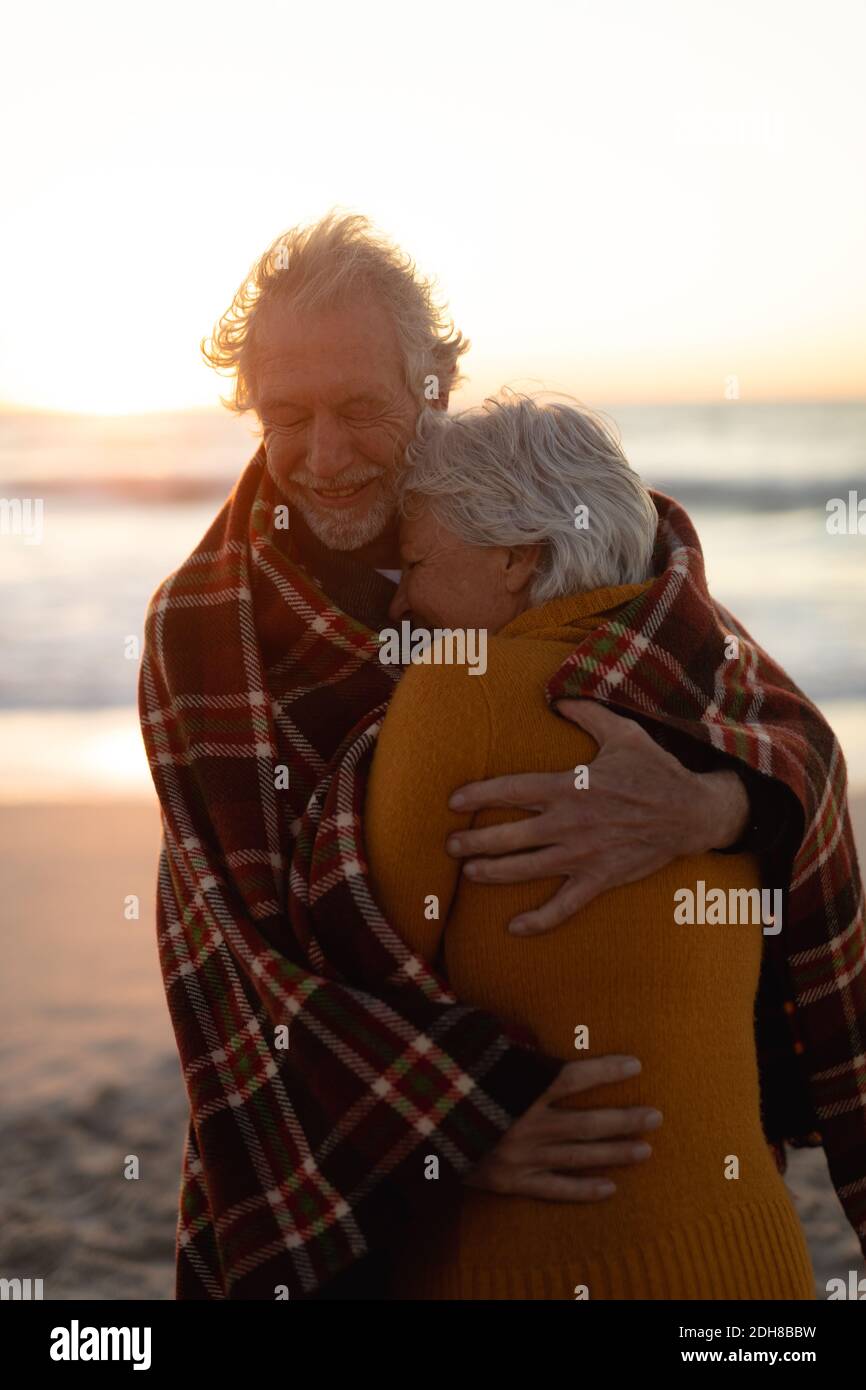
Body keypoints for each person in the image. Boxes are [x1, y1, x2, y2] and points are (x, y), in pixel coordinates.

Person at [139, 213, 866, 1299]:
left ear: (432, 387)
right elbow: (231, 946)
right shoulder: (202, 625)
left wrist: (708, 806)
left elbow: (782, 729)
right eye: (286, 416)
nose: (323, 457)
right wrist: (449, 1124)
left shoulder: (558, 519)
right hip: (344, 1119)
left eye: (360, 410)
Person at [365, 395, 816, 1299]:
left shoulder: (462, 690)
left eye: (415, 562)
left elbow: (364, 970)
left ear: (517, 558)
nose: (404, 600)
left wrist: (450, 1130)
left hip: (559, 1267)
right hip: (759, 1264)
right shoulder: (728, 702)